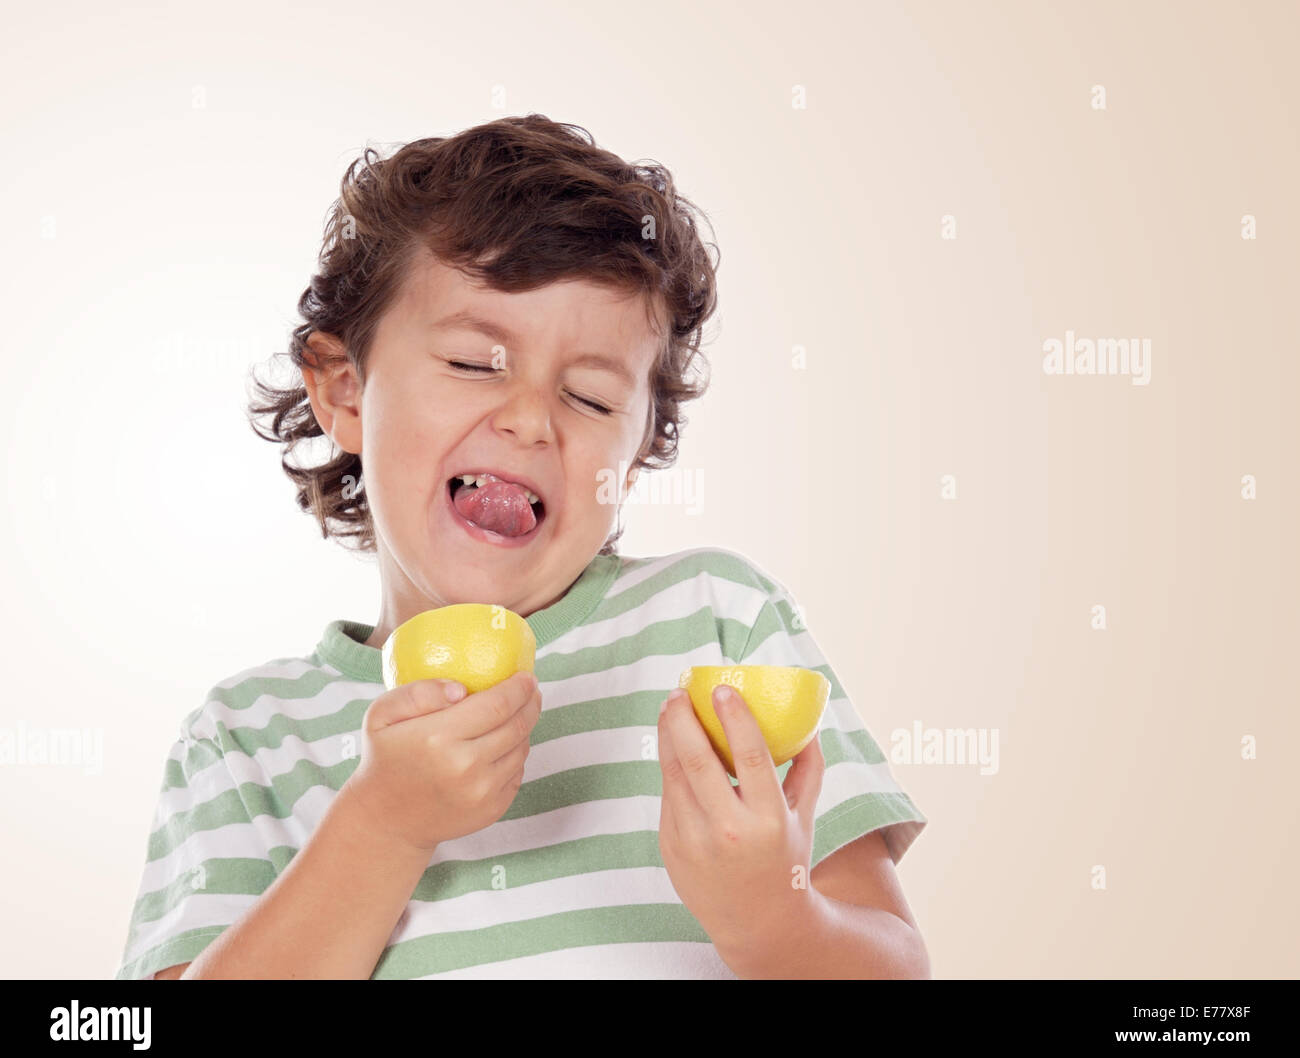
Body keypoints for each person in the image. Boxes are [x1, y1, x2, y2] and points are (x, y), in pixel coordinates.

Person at [115, 114, 928, 980]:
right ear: (346, 391)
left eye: (589, 397)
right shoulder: (246, 737)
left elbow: (896, 967)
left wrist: (771, 915)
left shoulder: (716, 624)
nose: (531, 419)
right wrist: (384, 824)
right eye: (474, 363)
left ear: (639, 451)